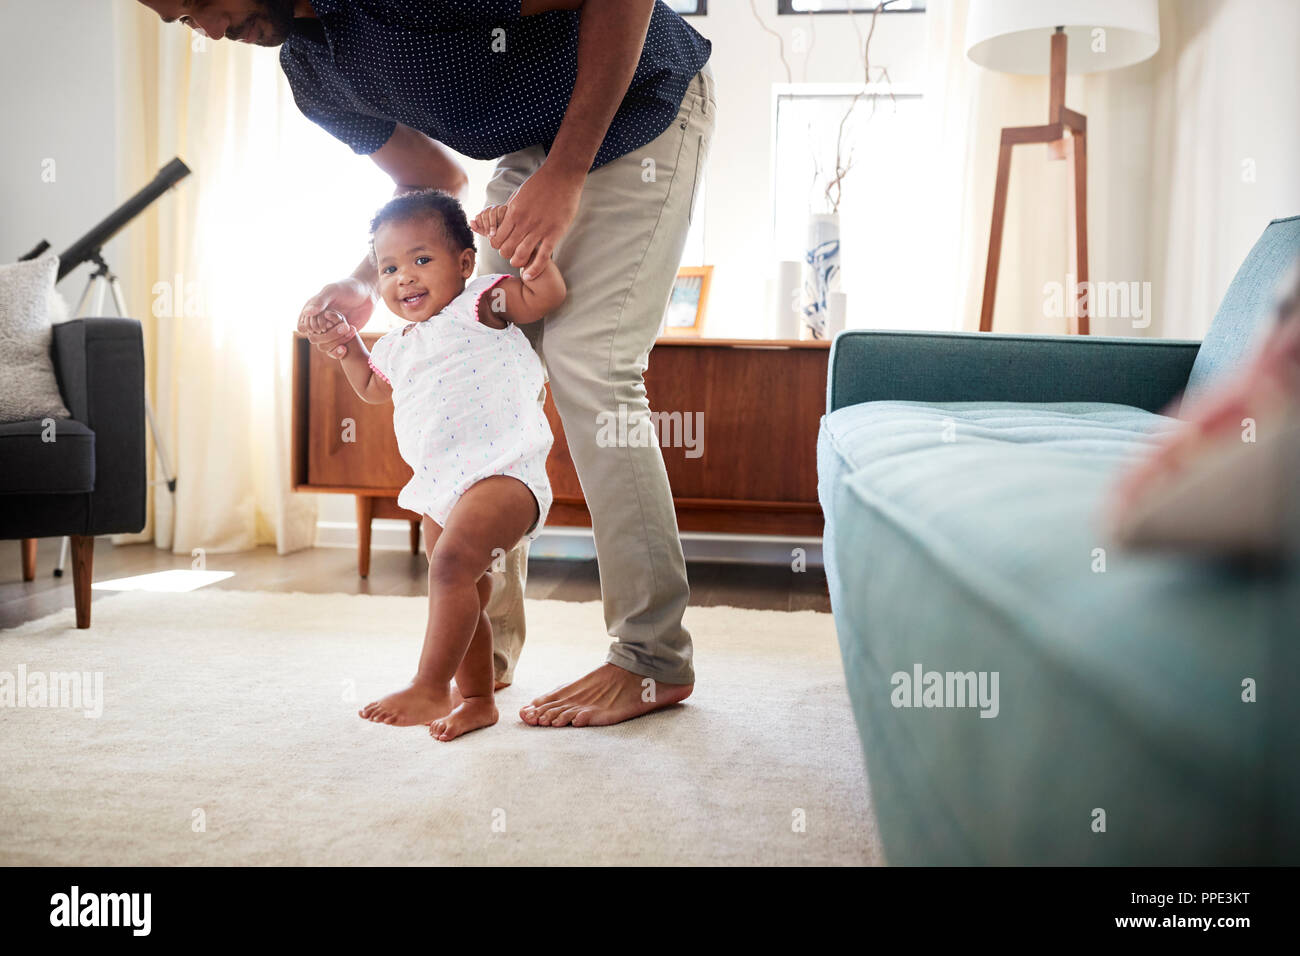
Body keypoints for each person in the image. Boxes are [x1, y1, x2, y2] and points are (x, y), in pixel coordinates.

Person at [138, 0, 716, 726]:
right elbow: (434, 181)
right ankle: (479, 658)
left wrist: (567, 173)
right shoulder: (313, 70)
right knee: (479, 337)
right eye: (182, 24)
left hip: (641, 108)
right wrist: (359, 281)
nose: (210, 30)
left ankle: (652, 658)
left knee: (589, 366)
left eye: (198, 3)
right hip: (534, 151)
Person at [313, 189, 562, 740]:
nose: (405, 278)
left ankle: (429, 683)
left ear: (465, 263)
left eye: (422, 260)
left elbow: (544, 297)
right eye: (390, 267)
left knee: (450, 568)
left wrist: (526, 256)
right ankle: (475, 699)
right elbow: (375, 392)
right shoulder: (398, 344)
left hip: (505, 473)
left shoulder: (481, 304)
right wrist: (347, 347)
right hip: (439, 488)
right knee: (462, 585)